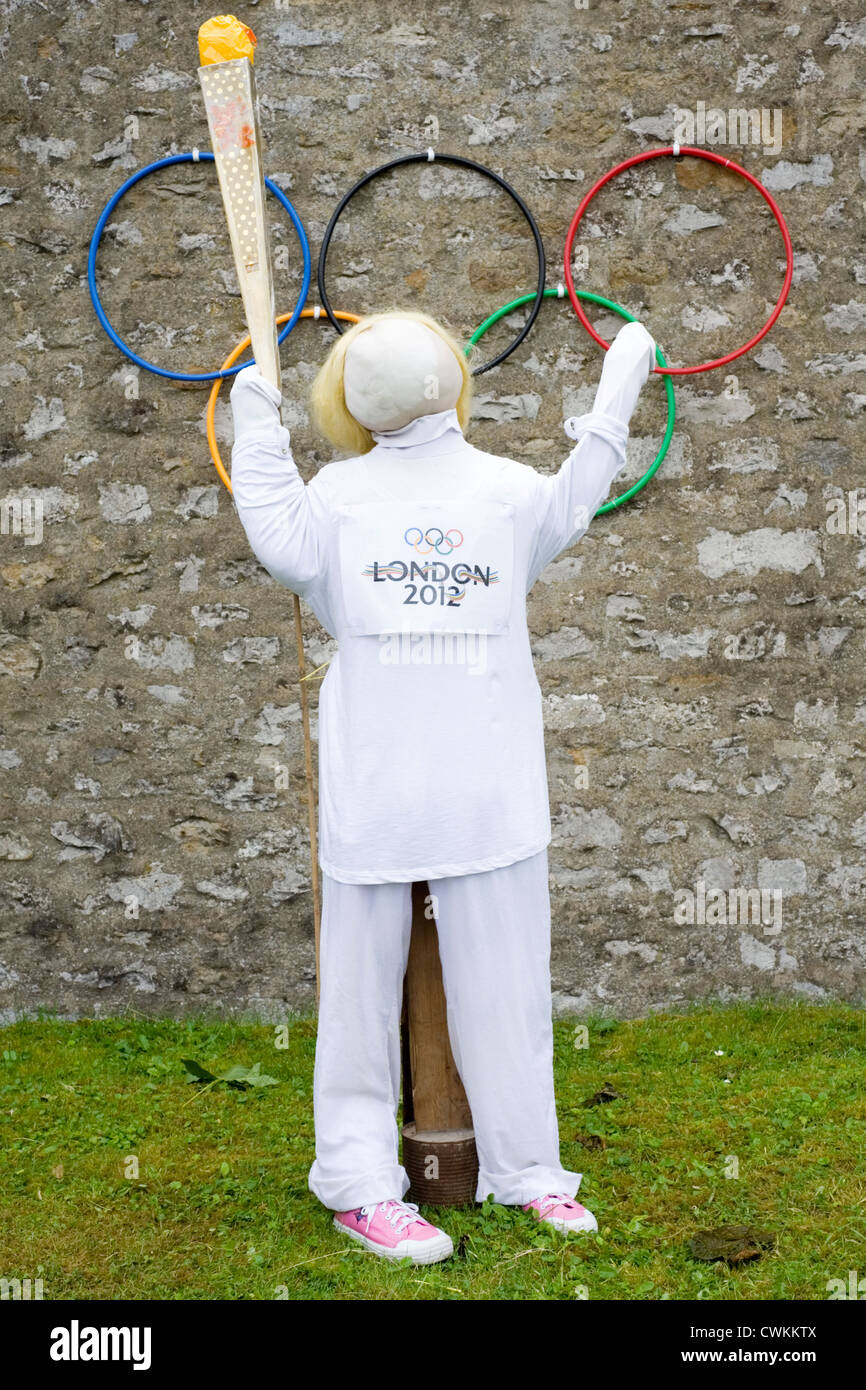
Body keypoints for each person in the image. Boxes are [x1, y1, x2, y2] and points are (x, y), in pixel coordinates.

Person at [229, 308, 655, 1264]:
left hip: (429, 784)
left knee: (361, 996)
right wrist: (615, 394)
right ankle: (431, 1178)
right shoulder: (444, 496)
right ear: (455, 382)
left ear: (348, 402)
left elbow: (272, 533)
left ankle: (458, 1175)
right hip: (441, 785)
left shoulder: (361, 498)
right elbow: (581, 494)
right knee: (499, 989)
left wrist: (255, 428)